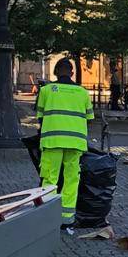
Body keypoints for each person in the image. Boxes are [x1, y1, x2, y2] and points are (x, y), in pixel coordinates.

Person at [36, 56, 94, 229]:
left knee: (50, 178)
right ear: (72, 73)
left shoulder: (46, 90)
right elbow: (89, 118)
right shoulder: (82, 93)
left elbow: (40, 117)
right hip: (76, 142)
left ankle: (48, 217)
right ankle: (67, 217)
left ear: (55, 72)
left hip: (52, 140)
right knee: (71, 179)